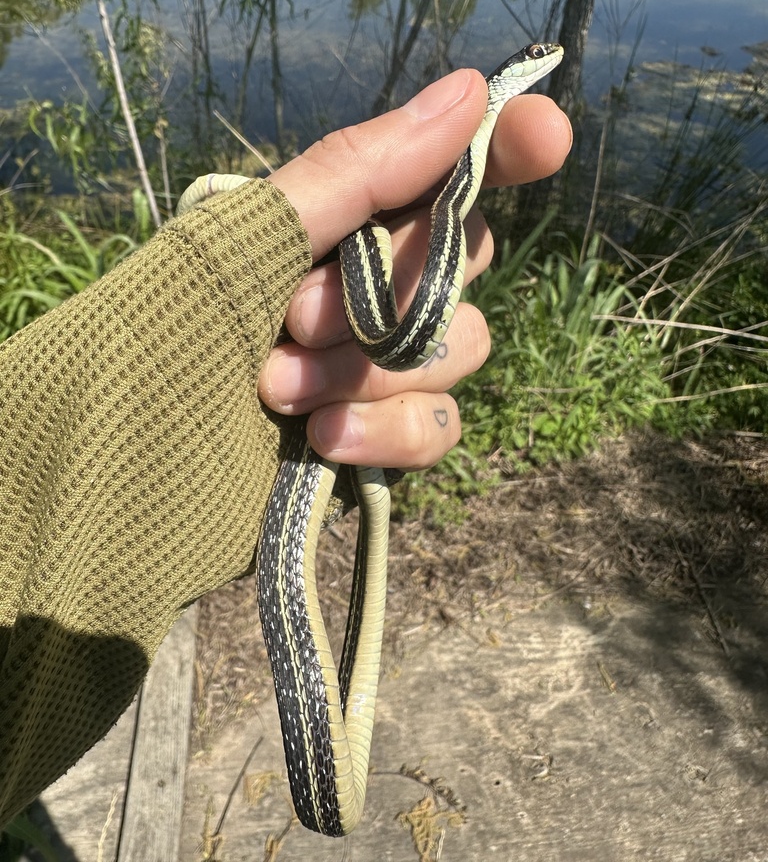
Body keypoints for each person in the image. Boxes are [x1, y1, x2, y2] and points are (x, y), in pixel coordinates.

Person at [0, 67, 571, 825]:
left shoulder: (460, 179)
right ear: (513, 78)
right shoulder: (467, 134)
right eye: (535, 59)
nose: (545, 61)